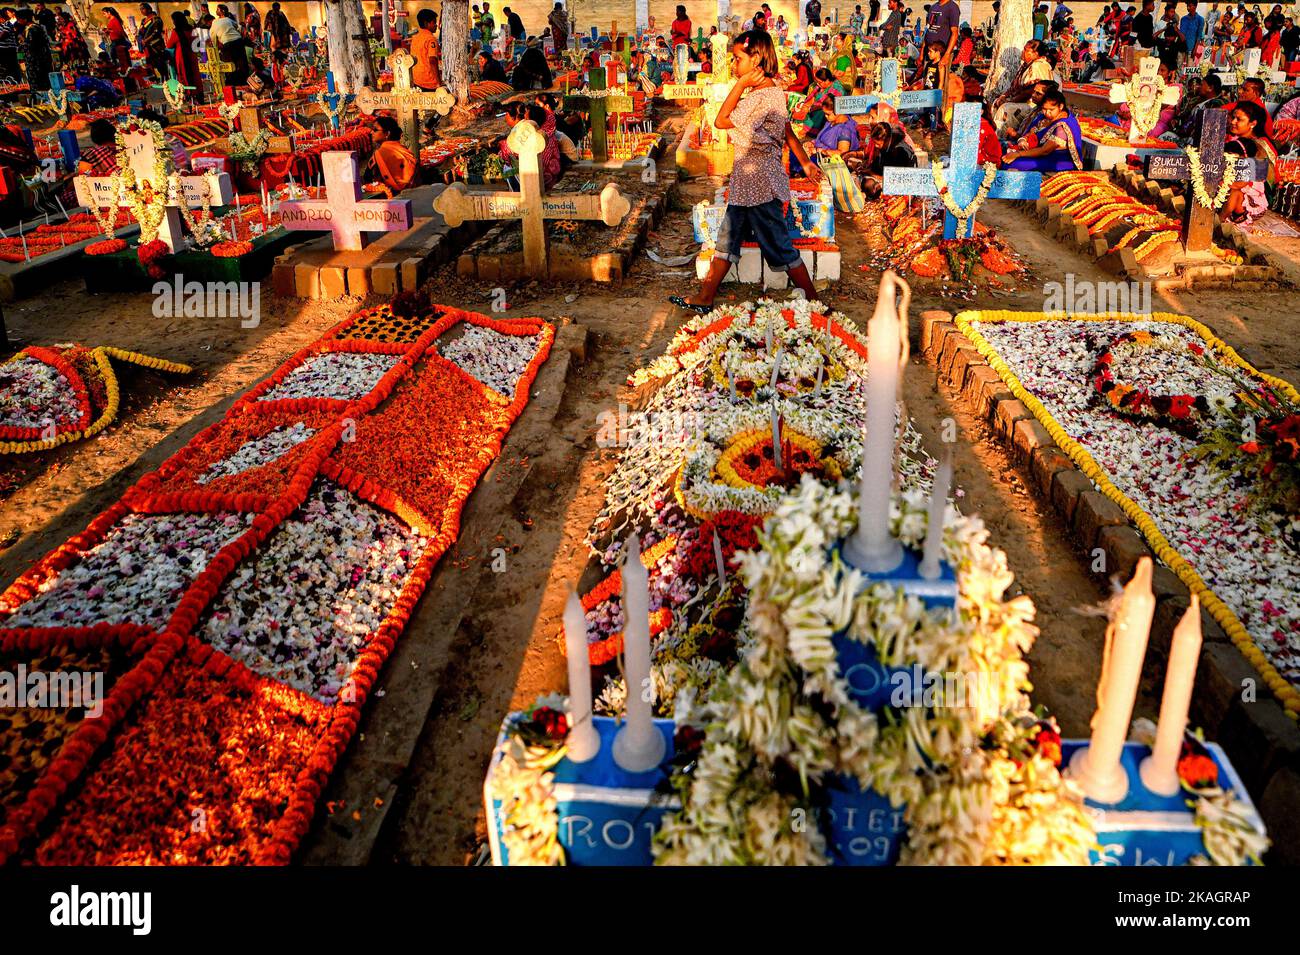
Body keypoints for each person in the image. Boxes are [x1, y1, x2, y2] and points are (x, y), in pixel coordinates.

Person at [671, 29, 822, 312]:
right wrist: (804, 162)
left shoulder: (759, 96)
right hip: (748, 180)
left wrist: (739, 85)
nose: (733, 64)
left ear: (755, 61)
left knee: (779, 245)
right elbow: (787, 130)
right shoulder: (771, 93)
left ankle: (815, 302)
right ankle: (705, 297)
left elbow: (721, 120)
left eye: (737, 58)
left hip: (759, 182)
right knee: (727, 239)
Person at [1221, 100, 1276, 222]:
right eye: (1233, 117)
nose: (1233, 122)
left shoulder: (1260, 146)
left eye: (1239, 119)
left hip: (1249, 195)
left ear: (1252, 124)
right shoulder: (1233, 140)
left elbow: (1250, 180)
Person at [1001, 89, 1083, 169]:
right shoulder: (1044, 117)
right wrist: (1022, 140)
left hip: (1057, 160)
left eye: (1051, 110)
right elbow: (1031, 133)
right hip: (1042, 154)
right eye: (1044, 109)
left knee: (1012, 164)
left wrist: (1018, 154)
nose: (1047, 113)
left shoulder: (1063, 126)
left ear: (1060, 106)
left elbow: (1045, 151)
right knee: (1003, 150)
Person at [992, 38, 1052, 128]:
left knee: (1005, 108)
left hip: (1032, 105)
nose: (1022, 52)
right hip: (1020, 101)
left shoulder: (1038, 65)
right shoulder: (1025, 65)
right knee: (997, 102)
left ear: (1035, 54)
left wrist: (1011, 100)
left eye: (1026, 50)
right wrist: (1003, 96)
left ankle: (1000, 135)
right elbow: (1013, 87)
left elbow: (1030, 92)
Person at [499, 101, 560, 188]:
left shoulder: (532, 136)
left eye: (526, 119)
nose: (524, 120)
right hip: (552, 177)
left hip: (541, 181)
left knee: (507, 168)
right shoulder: (548, 132)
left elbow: (508, 153)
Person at [860, 120, 916, 198]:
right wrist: (869, 170)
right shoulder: (885, 148)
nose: (876, 146)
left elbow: (900, 180)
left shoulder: (901, 152)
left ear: (887, 139)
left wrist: (874, 175)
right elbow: (878, 166)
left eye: (877, 143)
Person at [370, 115, 419, 192]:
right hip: (413, 193)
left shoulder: (379, 154)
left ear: (387, 134)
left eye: (375, 130)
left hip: (393, 198)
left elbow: (370, 180)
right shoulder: (404, 150)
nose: (371, 132)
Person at [792, 67, 846, 135]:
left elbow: (830, 105)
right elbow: (813, 97)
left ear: (827, 80)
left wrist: (810, 109)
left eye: (819, 82)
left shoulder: (836, 89)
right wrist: (805, 105)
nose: (818, 84)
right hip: (816, 106)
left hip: (829, 109)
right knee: (799, 107)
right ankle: (801, 126)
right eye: (817, 82)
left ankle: (812, 130)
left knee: (820, 112)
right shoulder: (821, 86)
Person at [210, 4, 248, 86]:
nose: (216, 11)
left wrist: (215, 47)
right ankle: (244, 82)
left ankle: (233, 84)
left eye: (217, 9)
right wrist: (241, 36)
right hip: (238, 41)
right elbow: (241, 28)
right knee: (241, 63)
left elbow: (212, 35)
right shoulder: (228, 19)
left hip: (227, 44)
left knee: (229, 65)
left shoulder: (215, 22)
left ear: (221, 11)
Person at [16, 8, 51, 91]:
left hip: (36, 61)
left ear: (24, 19)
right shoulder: (36, 27)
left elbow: (31, 45)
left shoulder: (33, 29)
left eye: (19, 19)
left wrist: (22, 39)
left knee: (38, 83)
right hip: (38, 59)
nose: (18, 22)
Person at [165, 10, 201, 88]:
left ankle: (189, 94)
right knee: (195, 74)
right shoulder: (191, 28)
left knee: (184, 74)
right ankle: (198, 93)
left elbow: (169, 45)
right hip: (192, 55)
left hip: (181, 56)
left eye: (173, 20)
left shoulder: (176, 32)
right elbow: (197, 41)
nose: (173, 22)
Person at [411, 8, 440, 91]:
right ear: (426, 23)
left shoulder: (415, 37)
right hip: (429, 83)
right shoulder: (431, 39)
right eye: (434, 22)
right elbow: (432, 61)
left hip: (416, 80)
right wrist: (438, 82)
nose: (436, 25)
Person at [138, 4, 167, 79]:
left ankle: (165, 78)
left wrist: (147, 40)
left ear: (149, 9)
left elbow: (156, 32)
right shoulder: (143, 21)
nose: (141, 11)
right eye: (140, 9)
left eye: (143, 9)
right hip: (147, 46)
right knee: (152, 62)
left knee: (159, 61)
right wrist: (140, 38)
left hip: (156, 44)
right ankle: (159, 78)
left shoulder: (156, 19)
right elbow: (141, 31)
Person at [103, 6, 131, 74]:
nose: (104, 15)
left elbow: (119, 31)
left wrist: (109, 31)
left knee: (115, 55)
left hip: (117, 41)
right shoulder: (112, 20)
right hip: (115, 41)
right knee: (114, 55)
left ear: (109, 12)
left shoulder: (115, 20)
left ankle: (123, 69)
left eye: (104, 13)